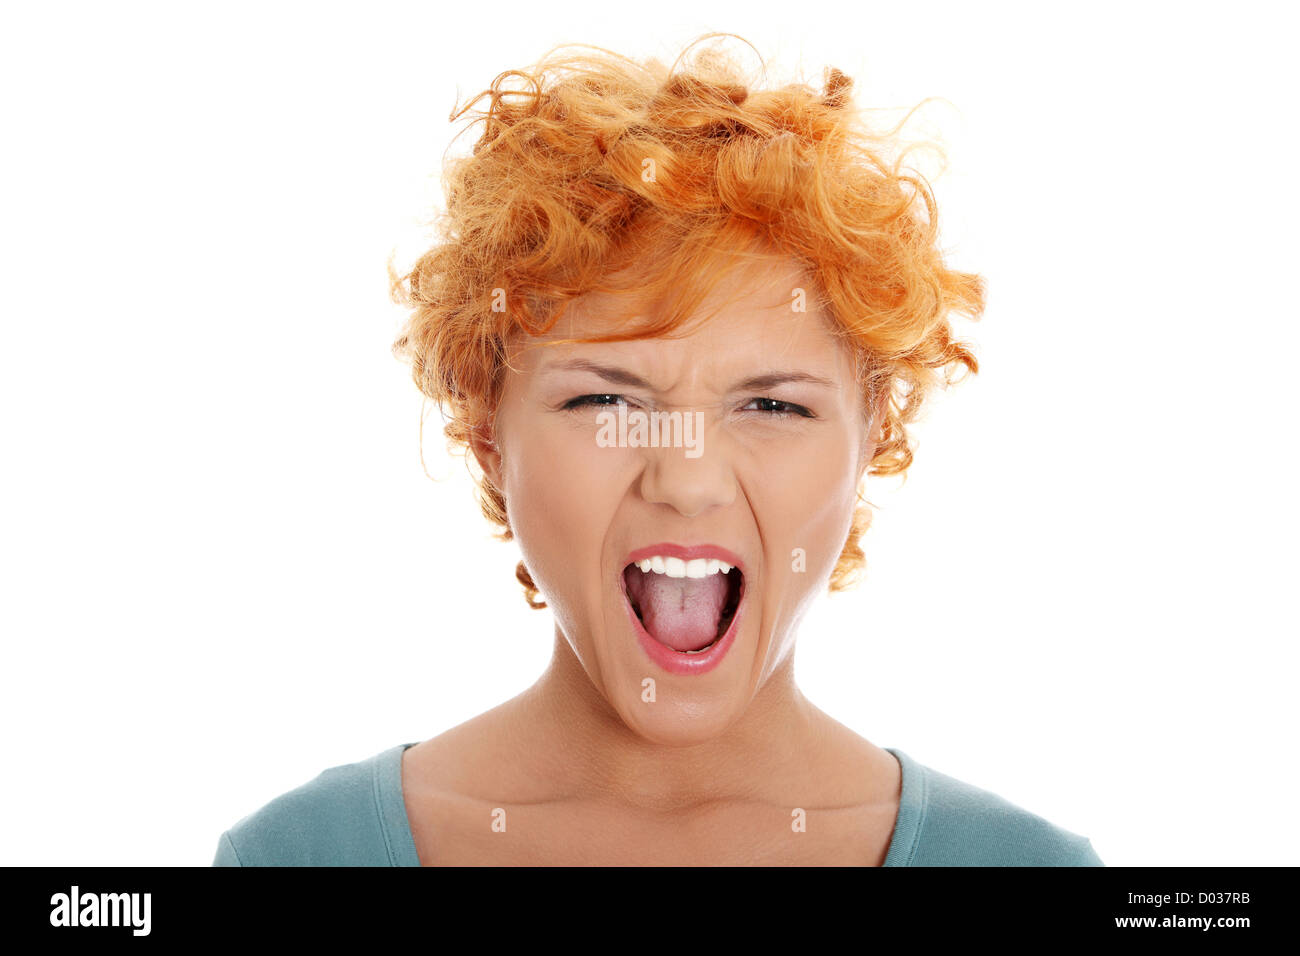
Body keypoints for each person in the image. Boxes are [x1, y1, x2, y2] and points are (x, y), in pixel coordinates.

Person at [212, 35, 1103, 866]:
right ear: (488, 434)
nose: (686, 478)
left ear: (874, 439)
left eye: (771, 404)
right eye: (604, 399)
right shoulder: (301, 854)